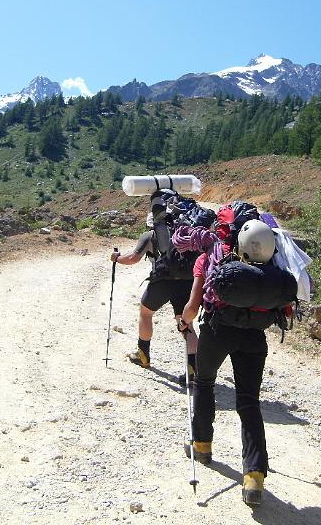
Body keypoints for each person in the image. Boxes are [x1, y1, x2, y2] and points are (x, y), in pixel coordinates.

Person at [179, 208, 281, 507]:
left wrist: (185, 324)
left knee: (205, 383)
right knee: (249, 401)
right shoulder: (270, 264)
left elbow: (192, 305)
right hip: (254, 337)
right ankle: (254, 476)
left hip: (217, 330)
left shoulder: (211, 257)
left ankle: (202, 445)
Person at [110, 197, 198, 384]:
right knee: (186, 324)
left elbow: (134, 258)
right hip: (186, 281)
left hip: (162, 281)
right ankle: (193, 369)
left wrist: (116, 259)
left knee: (145, 313)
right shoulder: (186, 232)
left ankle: (143, 355)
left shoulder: (151, 235)